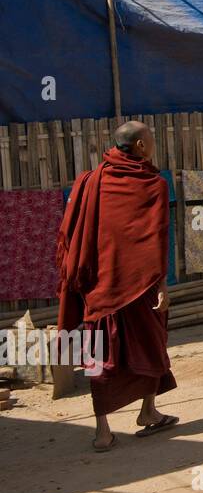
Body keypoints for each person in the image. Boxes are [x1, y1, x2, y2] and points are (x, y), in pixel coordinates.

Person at [56, 121, 177, 453]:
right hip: (140, 284)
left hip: (99, 286)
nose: (153, 144)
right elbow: (155, 240)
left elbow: (73, 233)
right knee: (151, 343)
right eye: (151, 139)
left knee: (100, 357)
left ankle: (106, 430)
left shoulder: (89, 181)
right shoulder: (152, 184)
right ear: (140, 146)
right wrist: (162, 284)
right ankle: (146, 411)